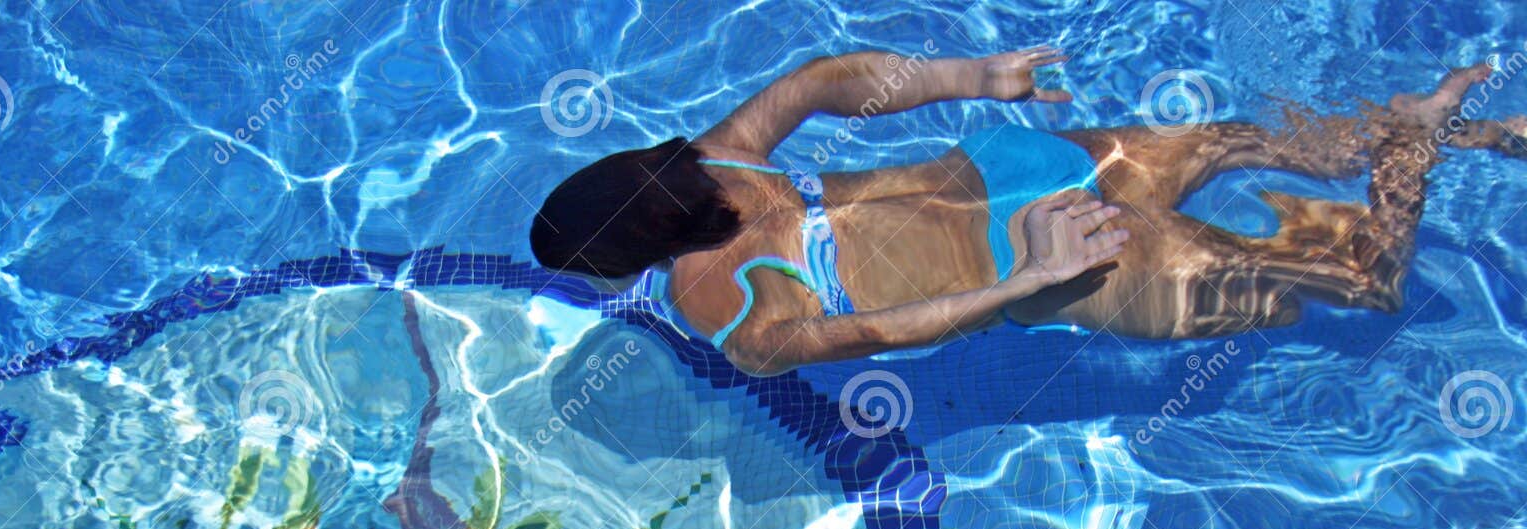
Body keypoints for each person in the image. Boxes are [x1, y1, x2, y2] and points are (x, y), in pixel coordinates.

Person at [529, 50, 1525, 375]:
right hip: (1016, 163)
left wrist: (1026, 284)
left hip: (1069, 254)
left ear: (632, 258)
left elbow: (883, 324)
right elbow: (825, 79)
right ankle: (1445, 125)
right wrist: (979, 74)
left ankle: (1421, 144)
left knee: (1360, 285)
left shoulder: (729, 317)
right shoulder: (714, 160)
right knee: (1247, 140)